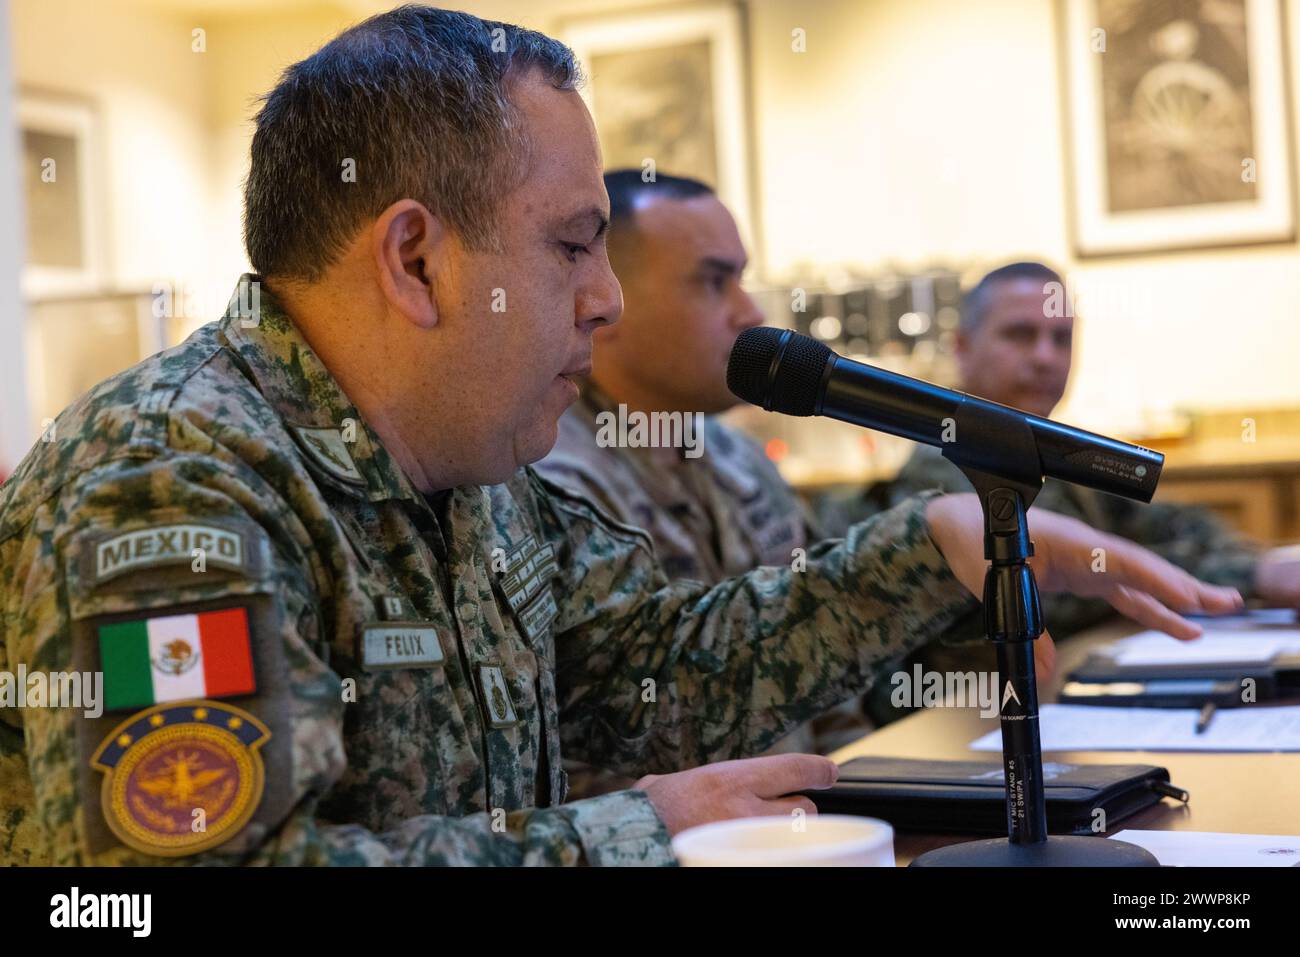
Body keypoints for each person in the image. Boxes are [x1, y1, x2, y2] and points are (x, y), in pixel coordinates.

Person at [0, 9, 1239, 867]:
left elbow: (654, 680)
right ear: (418, 260)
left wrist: (928, 544)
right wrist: (641, 836)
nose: (603, 298)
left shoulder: (473, 465)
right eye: (571, 245)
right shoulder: (167, 482)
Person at [819, 260, 1292, 723]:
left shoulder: (1053, 455)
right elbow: (1058, 583)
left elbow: (1168, 525)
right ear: (962, 347)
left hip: (1064, 700)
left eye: (1061, 339)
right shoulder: (943, 466)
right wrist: (1249, 573)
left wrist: (1268, 563)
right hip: (965, 723)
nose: (1045, 356)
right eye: (1020, 335)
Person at [538, 171, 867, 785]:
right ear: (612, 299)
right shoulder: (553, 474)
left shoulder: (742, 460)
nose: (751, 313)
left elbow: (828, 700)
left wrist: (875, 802)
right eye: (715, 282)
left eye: (742, 278)